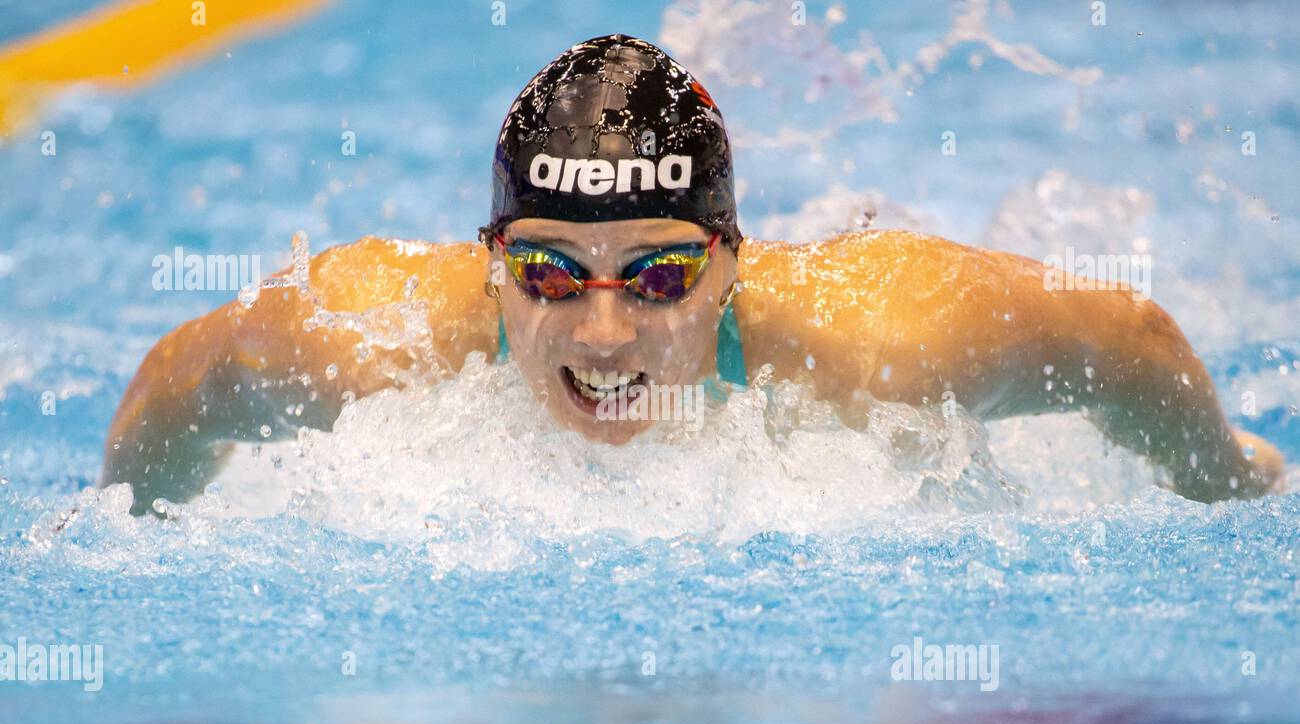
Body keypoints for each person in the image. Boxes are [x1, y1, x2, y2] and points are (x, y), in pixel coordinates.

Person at [100, 34, 1284, 515]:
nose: (604, 336)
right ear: (489, 266)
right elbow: (179, 380)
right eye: (550, 277)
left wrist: (1228, 481)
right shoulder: (364, 338)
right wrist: (125, 531)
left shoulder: (882, 342)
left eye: (658, 277)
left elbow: (1123, 339)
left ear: (729, 266)